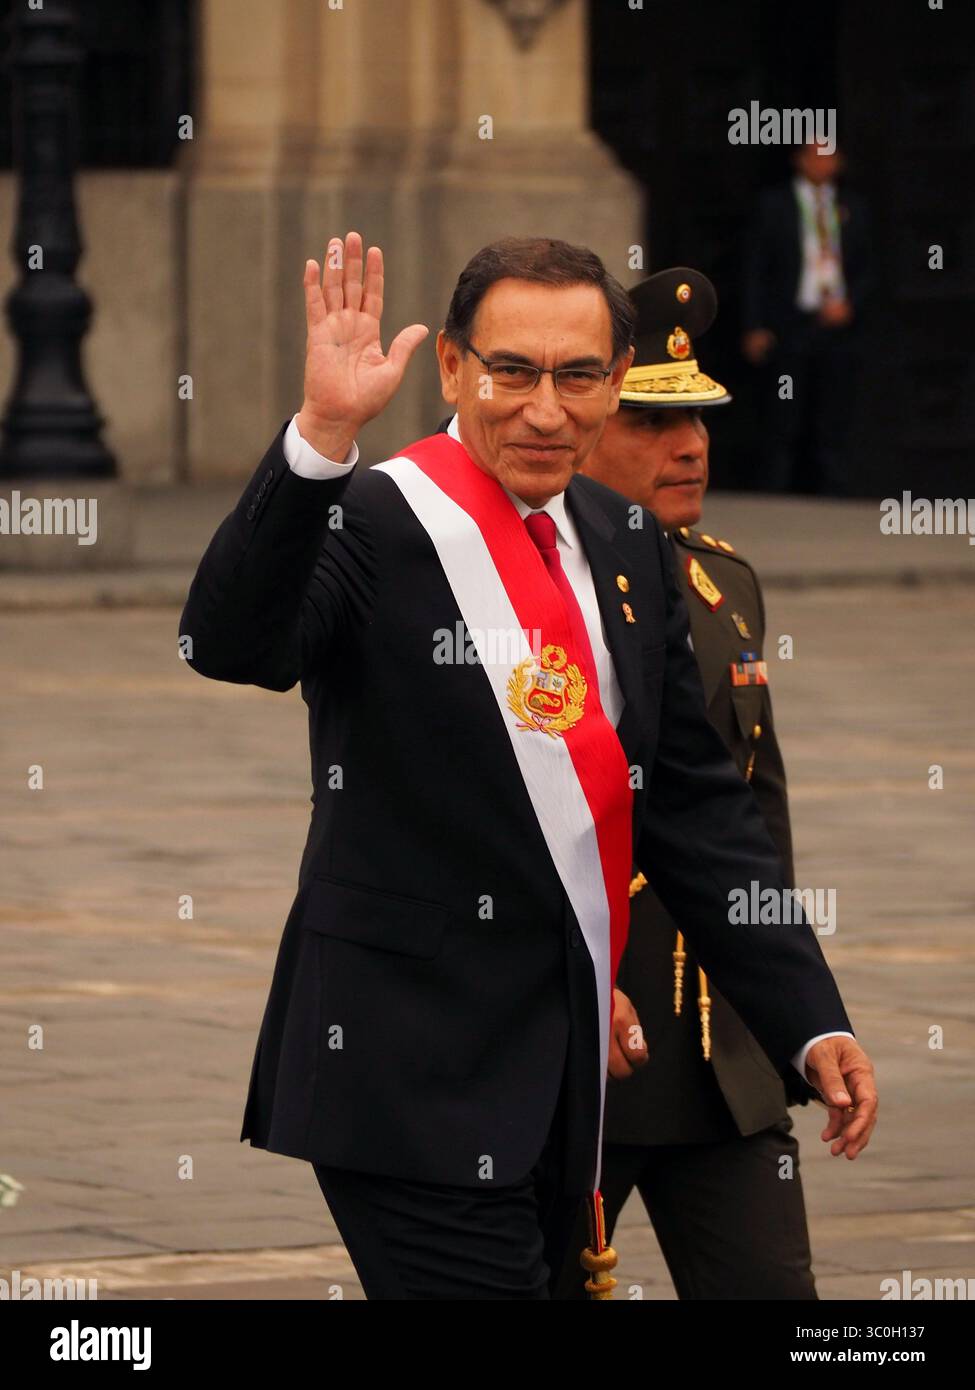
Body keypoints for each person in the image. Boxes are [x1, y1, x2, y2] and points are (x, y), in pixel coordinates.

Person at [179, 232, 877, 1300]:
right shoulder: (373, 519)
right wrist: (321, 437)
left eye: (578, 376)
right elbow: (229, 642)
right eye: (512, 372)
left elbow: (694, 805)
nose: (545, 410)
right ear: (452, 366)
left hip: (565, 1079)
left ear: (615, 378)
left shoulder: (626, 537)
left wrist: (808, 1015)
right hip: (405, 1077)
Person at [557, 266, 829, 1300]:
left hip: (722, 1053)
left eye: (699, 419)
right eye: (652, 423)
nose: (691, 446)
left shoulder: (725, 584)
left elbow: (753, 813)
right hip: (591, 1041)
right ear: (584, 426)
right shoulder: (531, 587)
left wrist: (795, 1007)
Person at [742, 140, 871, 494]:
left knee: (834, 409)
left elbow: (868, 267)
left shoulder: (852, 207)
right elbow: (755, 269)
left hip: (837, 328)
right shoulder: (774, 205)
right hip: (788, 325)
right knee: (783, 409)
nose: (824, 163)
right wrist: (754, 325)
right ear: (800, 159)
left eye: (831, 155)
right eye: (817, 155)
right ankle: (774, 489)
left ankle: (833, 492)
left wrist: (851, 304)